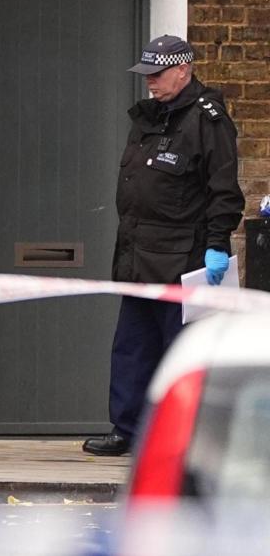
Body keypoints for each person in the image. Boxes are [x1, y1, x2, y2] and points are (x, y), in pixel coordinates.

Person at [83, 35, 244, 456]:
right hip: (137, 255)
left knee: (182, 354)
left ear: (183, 70)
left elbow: (224, 190)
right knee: (132, 348)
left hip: (182, 261)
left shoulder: (208, 120)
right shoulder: (150, 117)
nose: (150, 82)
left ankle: (186, 439)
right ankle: (128, 430)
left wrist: (217, 244)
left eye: (157, 74)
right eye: (146, 74)